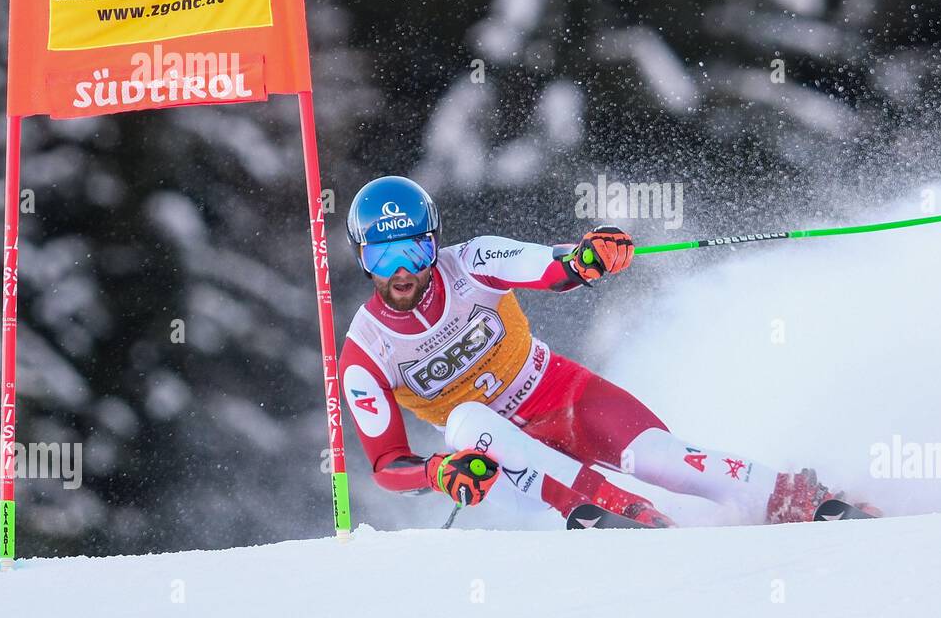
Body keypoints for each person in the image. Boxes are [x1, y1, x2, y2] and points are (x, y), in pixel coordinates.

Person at [339, 175, 860, 526]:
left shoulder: (472, 261)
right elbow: (387, 464)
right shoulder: (365, 353)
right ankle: (612, 514)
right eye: (383, 257)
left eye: (413, 249)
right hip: (502, 463)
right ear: (363, 260)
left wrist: (589, 257)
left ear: (434, 245)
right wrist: (439, 473)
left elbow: (548, 264)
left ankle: (795, 498)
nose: (401, 271)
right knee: (466, 421)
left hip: (559, 395)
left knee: (662, 458)